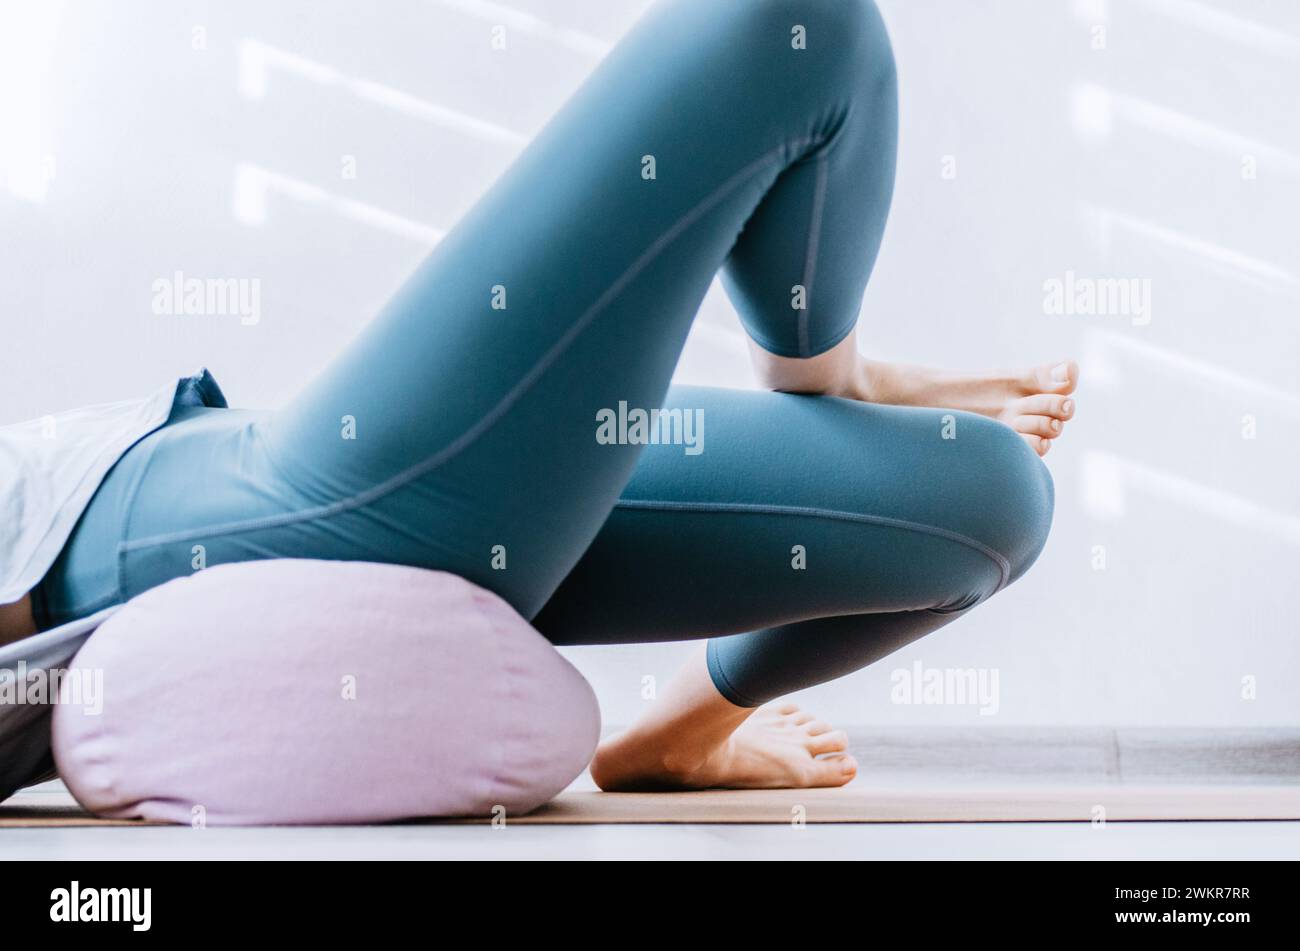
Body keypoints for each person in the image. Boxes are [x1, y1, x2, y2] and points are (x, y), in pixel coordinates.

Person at [0, 0, 1075, 794]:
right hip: (178, 551)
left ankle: (675, 736)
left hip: (184, 477)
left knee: (996, 505)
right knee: (795, 23)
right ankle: (826, 372)